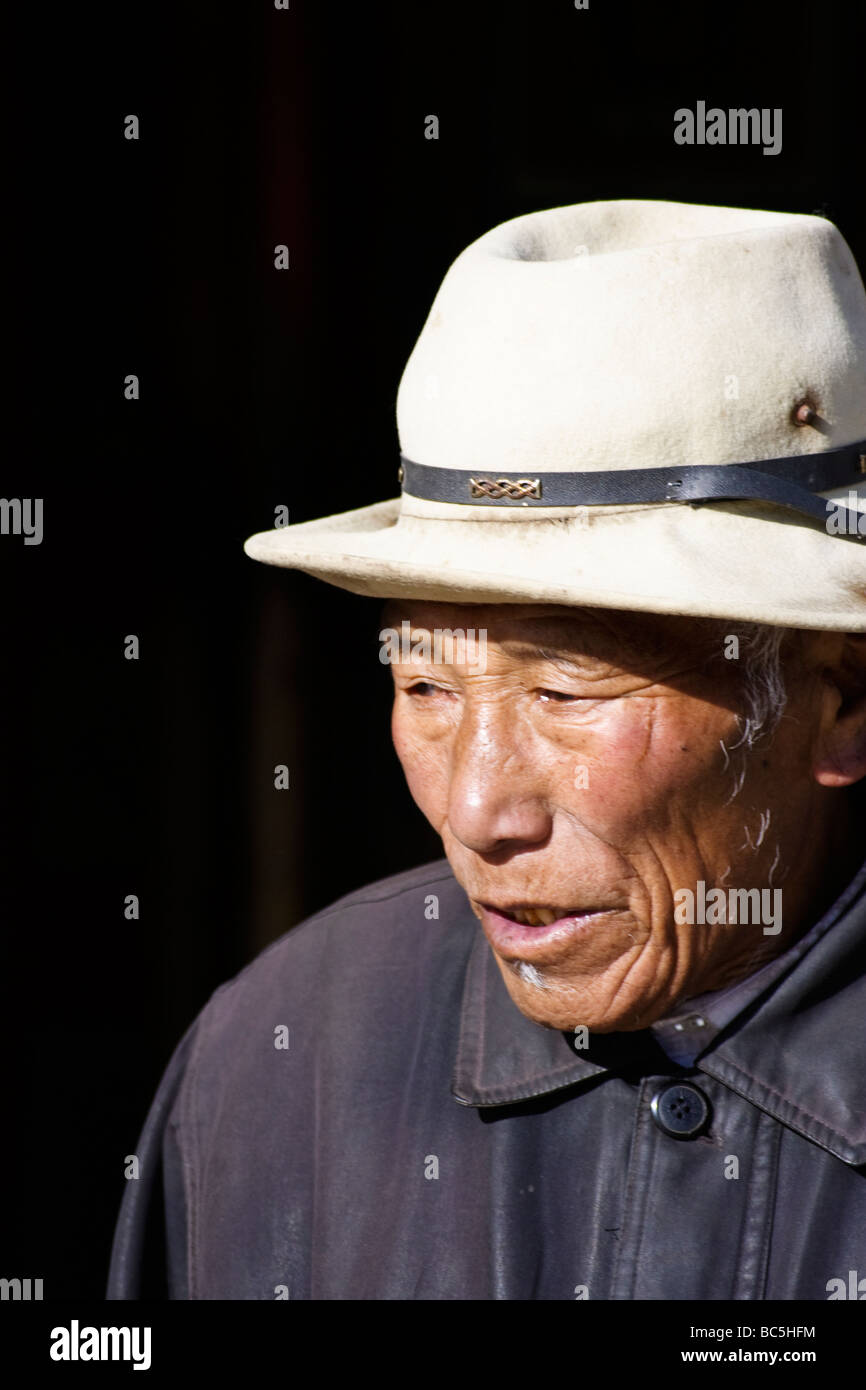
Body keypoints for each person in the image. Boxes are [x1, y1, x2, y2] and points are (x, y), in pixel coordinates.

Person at [108, 200, 866, 1300]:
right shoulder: (282, 1061)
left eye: (565, 690)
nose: (473, 808)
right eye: (423, 685)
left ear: (839, 704)